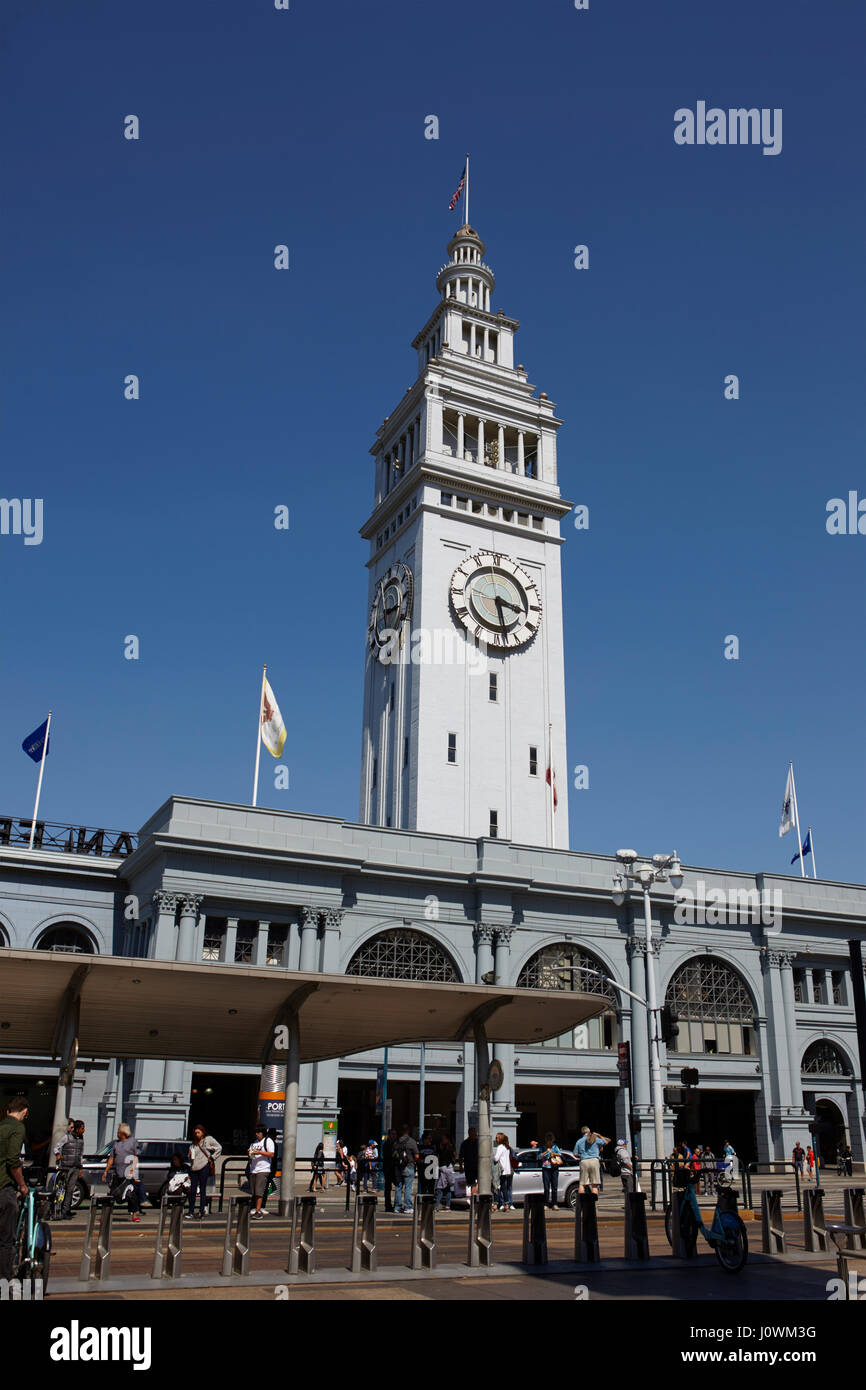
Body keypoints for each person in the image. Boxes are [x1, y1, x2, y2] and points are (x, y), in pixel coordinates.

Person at [0, 1097, 30, 1279]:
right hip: (4, 1188)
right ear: (24, 1111)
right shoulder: (17, 1128)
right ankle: (4, 1280)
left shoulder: (1, 1125)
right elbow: (12, 1161)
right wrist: (22, 1184)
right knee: (6, 1240)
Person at [103, 1122, 145, 1222]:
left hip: (128, 1174)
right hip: (117, 1173)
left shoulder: (132, 1142)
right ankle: (106, 1215)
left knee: (131, 1194)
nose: (117, 1133)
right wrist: (106, 1171)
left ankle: (134, 1214)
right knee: (112, 1194)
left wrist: (132, 1169)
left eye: (119, 1131)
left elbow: (136, 1156)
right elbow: (111, 1158)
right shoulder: (116, 1144)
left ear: (123, 1132)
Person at [187, 1123, 222, 1219]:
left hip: (204, 1166)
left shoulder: (208, 1139)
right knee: (193, 1190)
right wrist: (190, 1156)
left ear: (202, 1132)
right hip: (194, 1167)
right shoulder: (193, 1143)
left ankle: (201, 1210)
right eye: (195, 1133)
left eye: (198, 1132)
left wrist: (212, 1157)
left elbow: (219, 1147)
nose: (196, 1134)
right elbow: (190, 1157)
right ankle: (191, 1210)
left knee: (202, 1189)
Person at [54, 1118, 86, 1219]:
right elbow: (56, 1147)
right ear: (77, 1129)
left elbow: (80, 1154)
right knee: (63, 1189)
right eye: (82, 1128)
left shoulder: (81, 1139)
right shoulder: (67, 1138)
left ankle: (66, 1210)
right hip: (66, 1167)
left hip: (75, 1167)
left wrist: (80, 1167)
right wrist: (58, 1154)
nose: (83, 1130)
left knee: (70, 1190)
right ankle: (59, 1210)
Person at [249, 1125, 276, 1217]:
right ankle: (254, 1207)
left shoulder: (268, 1141)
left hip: (263, 1169)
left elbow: (271, 1154)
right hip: (254, 1169)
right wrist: (249, 1153)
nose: (257, 1134)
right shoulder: (254, 1143)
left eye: (258, 1133)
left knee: (259, 1190)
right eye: (256, 1132)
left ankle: (258, 1210)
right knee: (253, 1190)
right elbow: (251, 1156)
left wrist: (259, 1152)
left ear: (263, 1133)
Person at [575, 1125, 609, 1196]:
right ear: (589, 1131)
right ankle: (593, 1204)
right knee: (594, 1184)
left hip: (584, 1161)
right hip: (594, 1161)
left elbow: (575, 1154)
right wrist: (599, 1135)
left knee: (582, 1184)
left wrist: (581, 1155)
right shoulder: (595, 1139)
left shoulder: (579, 1141)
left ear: (582, 1133)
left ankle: (582, 1204)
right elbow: (606, 1142)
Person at [392, 1124, 418, 1214]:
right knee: (408, 1187)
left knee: (398, 1187)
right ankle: (407, 1207)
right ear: (408, 1131)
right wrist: (413, 1161)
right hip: (408, 1166)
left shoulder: (397, 1142)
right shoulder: (411, 1141)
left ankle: (397, 1207)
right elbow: (417, 1155)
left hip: (398, 1167)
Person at [540, 1131, 562, 1209]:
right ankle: (546, 1204)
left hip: (554, 1168)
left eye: (551, 1141)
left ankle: (554, 1204)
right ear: (546, 1140)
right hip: (546, 1168)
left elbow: (560, 1154)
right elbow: (539, 1156)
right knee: (546, 1187)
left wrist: (553, 1153)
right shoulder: (542, 1147)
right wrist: (546, 1151)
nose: (550, 1142)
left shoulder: (555, 1147)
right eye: (549, 1141)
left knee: (554, 1187)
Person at [493, 1132, 514, 1210]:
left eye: (497, 1138)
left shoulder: (500, 1147)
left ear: (500, 1139)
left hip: (500, 1171)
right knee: (504, 1188)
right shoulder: (507, 1147)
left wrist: (492, 1158)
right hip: (507, 1170)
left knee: (497, 1187)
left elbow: (496, 1158)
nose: (496, 1139)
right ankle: (506, 1203)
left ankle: (496, 1204)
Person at [435, 1138, 457, 1210]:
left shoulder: (446, 1149)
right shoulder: (451, 1148)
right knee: (447, 1188)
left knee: (440, 1188)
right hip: (448, 1168)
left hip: (444, 1169)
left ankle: (437, 1204)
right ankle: (447, 1205)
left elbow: (442, 1159)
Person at [381, 1128, 397, 1212]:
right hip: (389, 1168)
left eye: (395, 1134)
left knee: (397, 1185)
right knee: (388, 1187)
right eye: (393, 1134)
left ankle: (395, 1204)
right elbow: (389, 1155)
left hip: (393, 1168)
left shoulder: (395, 1143)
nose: (394, 1136)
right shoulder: (387, 1144)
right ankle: (388, 1205)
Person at [459, 1127, 479, 1196]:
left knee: (479, 1182)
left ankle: (474, 1195)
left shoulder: (478, 1143)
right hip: (469, 1167)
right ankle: (473, 1196)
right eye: (472, 1133)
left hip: (478, 1166)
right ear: (469, 1134)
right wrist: (461, 1166)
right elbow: (461, 1156)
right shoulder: (465, 1143)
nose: (474, 1134)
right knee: (471, 1183)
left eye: (474, 1133)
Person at [418, 1131, 437, 1197]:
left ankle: (430, 1202)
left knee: (431, 1189)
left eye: (430, 1138)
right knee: (424, 1188)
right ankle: (424, 1202)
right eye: (429, 1138)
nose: (430, 1140)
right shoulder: (419, 1147)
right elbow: (417, 1159)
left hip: (432, 1171)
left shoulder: (433, 1148)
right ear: (424, 1139)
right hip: (423, 1171)